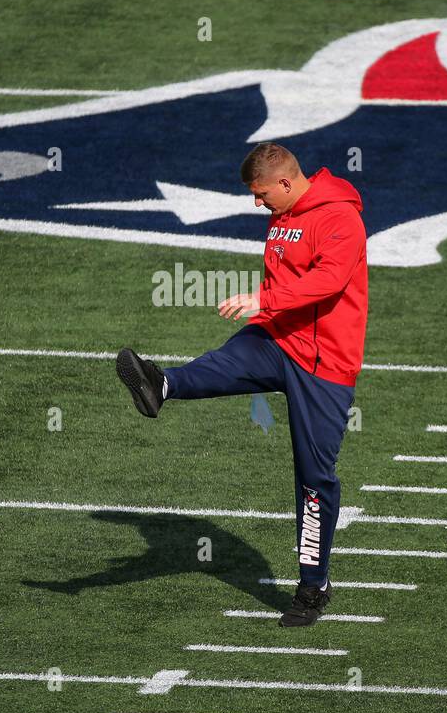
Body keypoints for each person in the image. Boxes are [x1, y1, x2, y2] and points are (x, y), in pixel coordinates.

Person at [116, 142, 369, 626]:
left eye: (261, 195)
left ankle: (313, 586)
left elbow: (330, 281)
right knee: (223, 362)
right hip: (279, 337)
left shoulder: (340, 219)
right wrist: (269, 309)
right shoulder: (284, 213)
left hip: (323, 362)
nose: (257, 204)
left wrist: (265, 298)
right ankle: (160, 384)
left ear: (287, 183)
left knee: (314, 478)